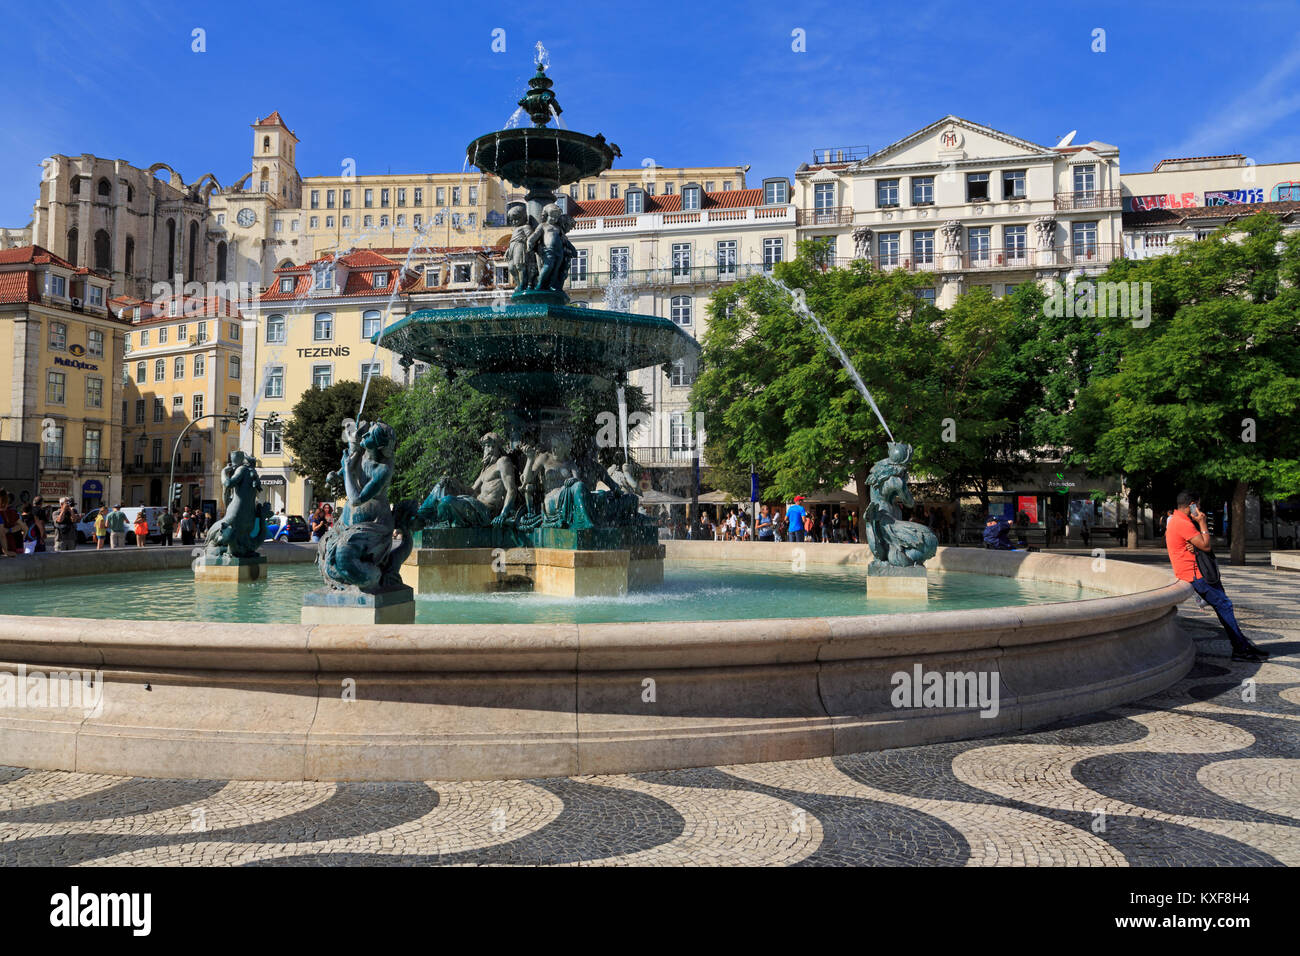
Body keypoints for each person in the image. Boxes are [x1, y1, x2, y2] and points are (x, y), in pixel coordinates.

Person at [1166, 491, 1269, 663]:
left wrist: (1194, 544)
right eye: (1197, 505)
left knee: (1224, 606)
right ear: (1192, 504)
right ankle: (1240, 650)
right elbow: (1206, 545)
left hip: (1195, 571)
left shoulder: (1177, 520)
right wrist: (1203, 522)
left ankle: (1242, 645)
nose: (1199, 508)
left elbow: (1194, 544)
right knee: (1225, 606)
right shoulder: (1183, 523)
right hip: (1196, 574)